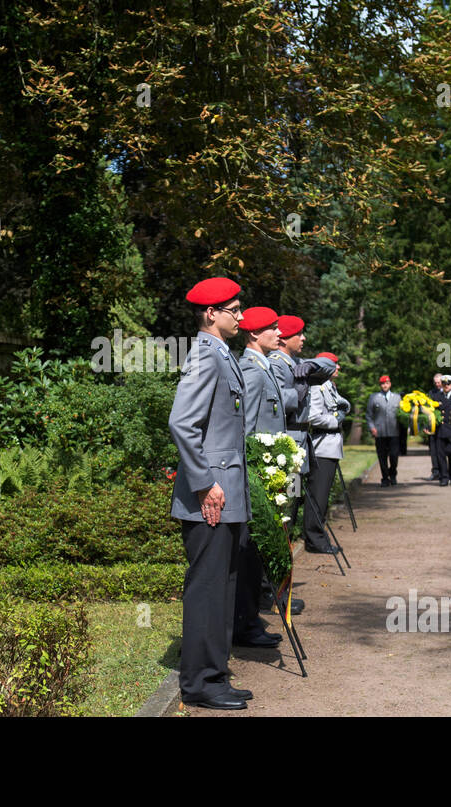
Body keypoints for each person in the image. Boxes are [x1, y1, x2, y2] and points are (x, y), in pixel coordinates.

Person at [167, 276, 253, 709]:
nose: (241, 316)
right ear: (210, 313)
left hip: (226, 493)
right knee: (206, 588)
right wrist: (206, 484)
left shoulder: (222, 354)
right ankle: (199, 682)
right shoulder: (204, 355)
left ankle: (215, 676)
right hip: (211, 496)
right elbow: (182, 423)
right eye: (234, 309)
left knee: (223, 588)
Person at [232, 307, 293, 642]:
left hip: (265, 476)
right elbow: (246, 431)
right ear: (254, 334)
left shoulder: (263, 368)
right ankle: (245, 624)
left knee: (255, 553)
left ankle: (249, 620)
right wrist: (254, 479)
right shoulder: (252, 373)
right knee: (249, 552)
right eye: (273, 328)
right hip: (254, 479)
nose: (279, 334)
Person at [268, 316, 339, 554]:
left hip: (299, 448)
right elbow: (280, 403)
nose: (304, 338)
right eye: (299, 333)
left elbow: (329, 365)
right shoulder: (277, 364)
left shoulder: (296, 361)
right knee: (285, 509)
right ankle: (276, 573)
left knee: (293, 505)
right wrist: (298, 388)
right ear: (285, 337)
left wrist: (311, 367)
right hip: (287, 447)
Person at [304, 352, 351, 551]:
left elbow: (343, 405)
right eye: (334, 364)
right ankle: (314, 540)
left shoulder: (329, 386)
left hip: (331, 447)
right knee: (318, 496)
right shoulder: (317, 388)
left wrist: (342, 410)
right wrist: (335, 419)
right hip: (322, 447)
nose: (338, 368)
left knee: (322, 496)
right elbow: (313, 417)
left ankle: (318, 536)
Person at [366, 374, 402, 486]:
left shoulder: (397, 397)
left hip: (394, 432)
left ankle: (393, 474)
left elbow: (402, 414)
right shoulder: (374, 397)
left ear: (390, 384)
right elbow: (369, 415)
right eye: (382, 383)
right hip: (379, 432)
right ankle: (385, 478)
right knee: (382, 457)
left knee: (394, 456)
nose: (384, 385)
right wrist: (372, 427)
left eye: (386, 383)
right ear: (380, 385)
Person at [427, 373, 444, 479]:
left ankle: (445, 471)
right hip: (432, 425)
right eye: (436, 382)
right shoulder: (431, 393)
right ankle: (435, 471)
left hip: (444, 425)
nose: (437, 384)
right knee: (433, 449)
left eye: (439, 382)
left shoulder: (447, 393)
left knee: (443, 449)